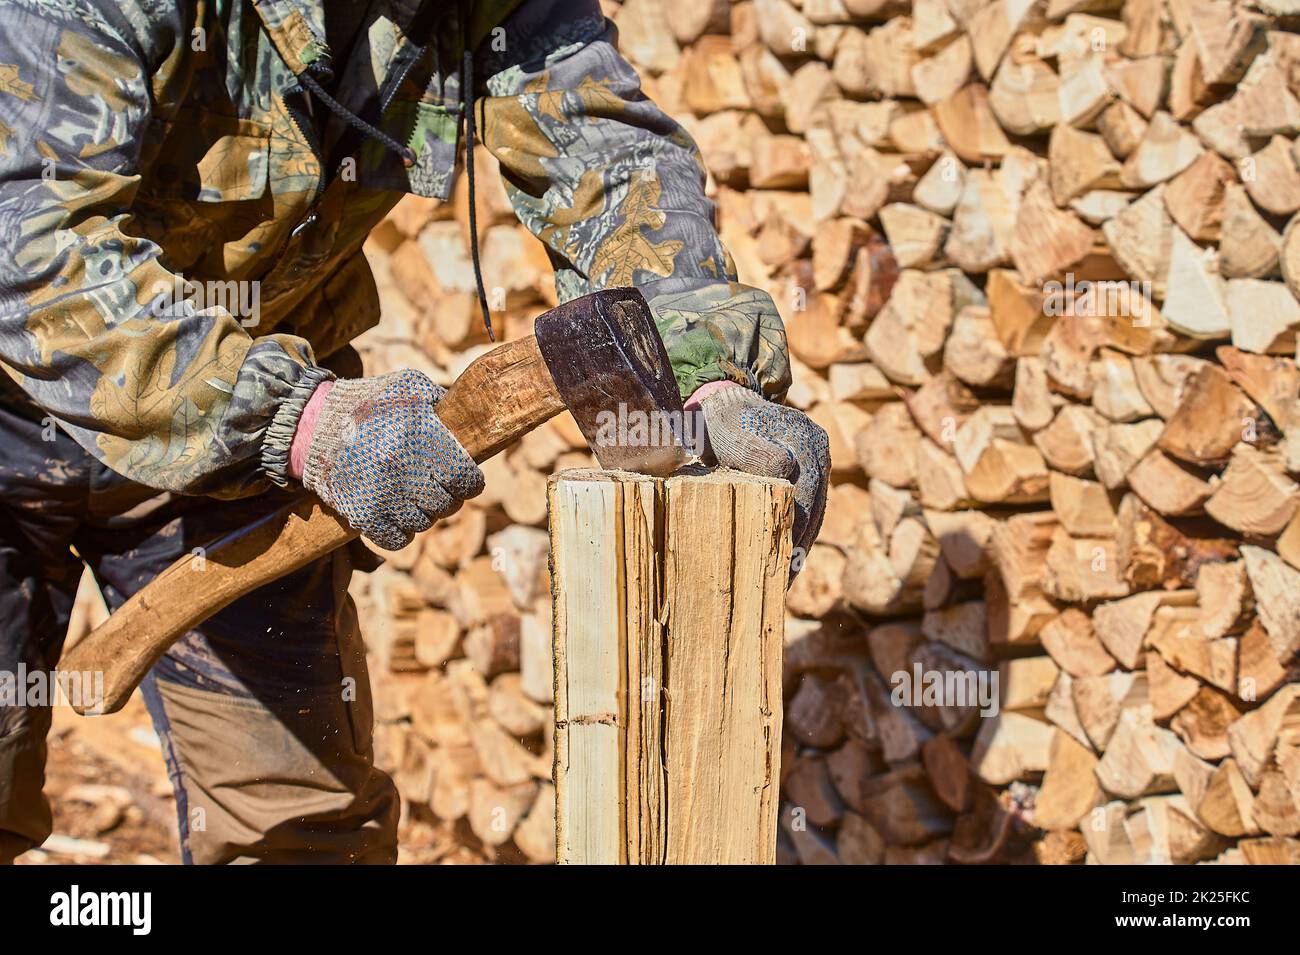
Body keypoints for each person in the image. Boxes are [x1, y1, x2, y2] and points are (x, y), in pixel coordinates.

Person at [0, 0, 830, 863]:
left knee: (302, 837)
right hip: (31, 406)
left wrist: (700, 368)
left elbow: (608, 157)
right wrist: (302, 421)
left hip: (234, 460)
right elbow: (29, 253)